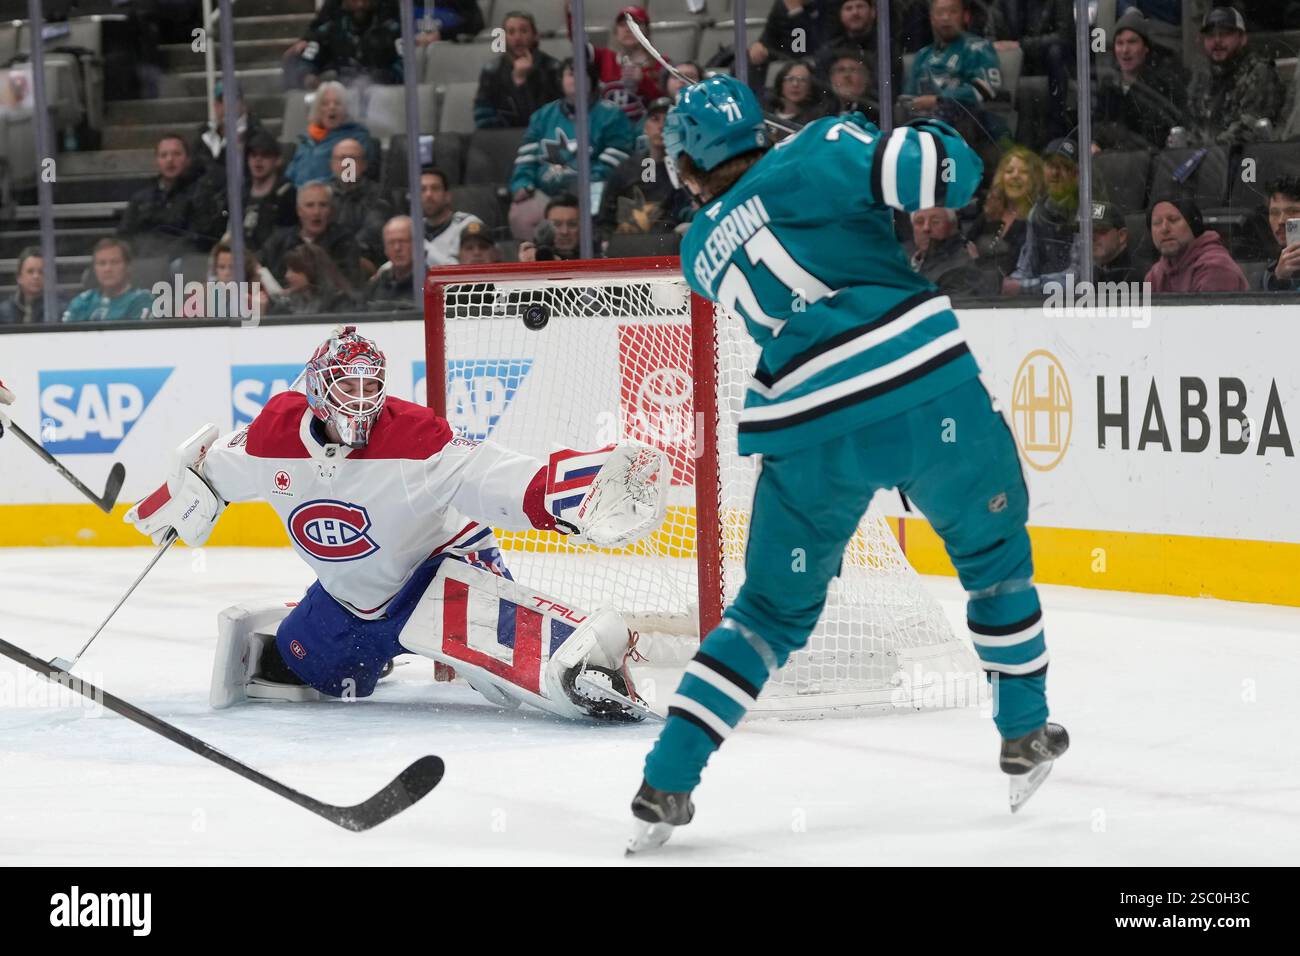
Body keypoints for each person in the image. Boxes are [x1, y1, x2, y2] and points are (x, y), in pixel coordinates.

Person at [628, 75, 1067, 851]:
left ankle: (667, 778)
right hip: (925, 395)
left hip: (807, 434)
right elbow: (945, 178)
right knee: (995, 562)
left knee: (766, 615)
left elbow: (769, 215)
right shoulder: (820, 148)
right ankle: (1024, 730)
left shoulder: (699, 248)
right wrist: (916, 124)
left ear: (689, 166)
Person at [123, 326, 665, 721]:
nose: (361, 402)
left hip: (439, 573)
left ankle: (587, 652)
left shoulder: (413, 439)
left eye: (369, 387)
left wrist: (565, 493)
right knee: (299, 663)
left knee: (517, 686)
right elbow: (212, 471)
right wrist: (174, 500)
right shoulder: (273, 439)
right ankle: (373, 652)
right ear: (316, 389)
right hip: (352, 603)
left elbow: (488, 475)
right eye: (347, 387)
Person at [508, 59, 635, 240]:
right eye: (570, 74)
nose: (575, 79)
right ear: (561, 80)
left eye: (582, 74)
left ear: (592, 81)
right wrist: (522, 183)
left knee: (598, 208)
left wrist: (589, 178)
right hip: (546, 192)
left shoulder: (611, 115)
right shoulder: (543, 115)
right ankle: (540, 262)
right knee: (521, 214)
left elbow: (619, 153)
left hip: (590, 190)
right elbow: (527, 156)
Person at [1185, 6, 1284, 147]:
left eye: (1225, 34)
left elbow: (1249, 127)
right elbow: (1193, 125)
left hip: (1248, 161)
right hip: (1209, 161)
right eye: (1211, 35)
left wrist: (1206, 151)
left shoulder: (1259, 71)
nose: (1217, 41)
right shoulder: (1201, 76)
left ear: (1242, 38)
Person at [596, 97, 694, 241]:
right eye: (655, 119)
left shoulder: (687, 170)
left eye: (668, 121)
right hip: (628, 249)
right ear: (645, 126)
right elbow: (605, 219)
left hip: (670, 250)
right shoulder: (625, 170)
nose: (661, 126)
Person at [1091, 9, 1187, 153]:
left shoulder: (1164, 85)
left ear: (1145, 47)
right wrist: (1095, 143)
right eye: (1119, 43)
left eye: (1132, 42)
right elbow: (1097, 126)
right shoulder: (1109, 84)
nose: (1125, 50)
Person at [901, 0, 1001, 130]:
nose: (945, 17)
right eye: (939, 12)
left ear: (965, 16)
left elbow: (986, 88)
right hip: (921, 125)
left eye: (952, 12)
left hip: (966, 126)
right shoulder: (923, 55)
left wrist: (939, 99)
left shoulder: (978, 48)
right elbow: (907, 97)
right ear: (932, 18)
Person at [1004, 138, 1080, 295]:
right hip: (1045, 301)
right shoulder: (1038, 213)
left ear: (1076, 174)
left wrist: (1025, 287)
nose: (1055, 173)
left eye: (1063, 167)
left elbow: (1079, 278)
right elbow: (1026, 267)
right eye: (1050, 166)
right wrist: (1012, 282)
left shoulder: (1085, 212)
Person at [570, 4, 667, 124]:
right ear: (616, 32)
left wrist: (643, 82)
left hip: (645, 133)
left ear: (646, 30)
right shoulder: (604, 57)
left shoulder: (662, 64)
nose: (628, 29)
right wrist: (571, 13)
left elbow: (666, 104)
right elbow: (577, 41)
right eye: (622, 25)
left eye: (635, 24)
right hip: (608, 130)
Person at [259, 182, 366, 289]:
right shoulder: (280, 240)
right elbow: (255, 268)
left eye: (323, 205)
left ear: (331, 210)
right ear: (299, 211)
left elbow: (348, 285)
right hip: (278, 302)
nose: (316, 212)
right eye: (310, 205)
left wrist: (307, 287)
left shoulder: (344, 241)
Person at [282, 0, 404, 90]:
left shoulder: (391, 30)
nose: (359, 4)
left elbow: (406, 62)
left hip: (384, 94)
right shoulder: (330, 31)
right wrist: (308, 76)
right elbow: (307, 59)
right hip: (340, 94)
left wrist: (385, 77)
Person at [473, 10, 563, 129]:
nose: (517, 38)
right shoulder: (491, 71)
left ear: (535, 35)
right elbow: (483, 117)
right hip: (503, 140)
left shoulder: (553, 69)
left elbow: (558, 116)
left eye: (524, 31)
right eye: (511, 32)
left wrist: (521, 82)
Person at [119, 134, 202, 257]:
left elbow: (197, 236)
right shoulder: (141, 198)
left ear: (188, 159)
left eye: (177, 154)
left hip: (182, 265)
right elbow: (124, 234)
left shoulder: (199, 195)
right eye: (163, 155)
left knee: (180, 273)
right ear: (157, 161)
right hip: (146, 264)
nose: (170, 160)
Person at [284, 82, 380, 189]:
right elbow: (290, 175)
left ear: (346, 110)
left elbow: (348, 179)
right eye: (325, 104)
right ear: (317, 110)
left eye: (337, 103)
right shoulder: (306, 140)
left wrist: (312, 191)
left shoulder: (356, 140)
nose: (331, 107)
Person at [968, 147, 1043, 281]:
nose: (1015, 176)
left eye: (1024, 172)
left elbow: (1015, 266)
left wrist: (977, 259)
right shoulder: (990, 212)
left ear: (1035, 179)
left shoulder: (1037, 218)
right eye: (1009, 171)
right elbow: (966, 245)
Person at [1144, 198, 1248, 293]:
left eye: (1173, 220)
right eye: (1157, 222)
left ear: (1193, 226)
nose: (1164, 228)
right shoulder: (1155, 275)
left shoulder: (1216, 268)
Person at [327, 137, 393, 267]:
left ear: (364, 165)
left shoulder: (380, 195)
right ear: (332, 165)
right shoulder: (322, 194)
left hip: (363, 262)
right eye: (342, 158)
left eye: (352, 158)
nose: (347, 164)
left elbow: (370, 235)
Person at [62, 239, 155, 323]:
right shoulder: (83, 301)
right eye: (102, 263)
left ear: (128, 267)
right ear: (94, 269)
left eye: (114, 262)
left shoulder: (141, 300)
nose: (107, 269)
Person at [419, 166, 485, 267]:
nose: (428, 194)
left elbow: (465, 270)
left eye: (435, 188)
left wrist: (422, 247)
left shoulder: (468, 224)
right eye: (422, 189)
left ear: (447, 196)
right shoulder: (412, 228)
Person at [268, 243, 358, 315]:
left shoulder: (340, 301)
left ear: (311, 271)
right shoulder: (288, 303)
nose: (287, 275)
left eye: (295, 270)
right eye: (288, 269)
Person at [908, 206, 975, 285]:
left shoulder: (959, 269)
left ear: (953, 227)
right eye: (919, 222)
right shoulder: (906, 260)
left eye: (935, 222)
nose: (926, 228)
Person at [366, 216, 420, 307]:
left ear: (417, 244)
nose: (397, 248)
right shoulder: (376, 285)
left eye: (403, 241)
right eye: (391, 243)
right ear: (385, 249)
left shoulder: (430, 284)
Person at [0, 248, 61, 325]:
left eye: (41, 272)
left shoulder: (58, 310)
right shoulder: (4, 312)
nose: (36, 276)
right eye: (30, 271)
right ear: (19, 277)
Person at [1259, 176, 1300, 292]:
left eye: (1293, 211)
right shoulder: (1270, 269)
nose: (1281, 221)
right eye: (1274, 213)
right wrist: (1279, 280)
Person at [1091, 201, 1144, 285]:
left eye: (1100, 230)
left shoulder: (1142, 278)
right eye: (1086, 231)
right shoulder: (1087, 275)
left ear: (1121, 235)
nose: (1092, 237)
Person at [766, 61, 825, 135]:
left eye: (802, 80)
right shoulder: (765, 113)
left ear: (810, 87)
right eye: (790, 79)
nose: (795, 84)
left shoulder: (814, 123)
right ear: (781, 83)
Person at [519, 194, 580, 262]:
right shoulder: (534, 254)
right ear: (545, 226)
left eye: (572, 224)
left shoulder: (592, 253)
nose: (564, 232)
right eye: (556, 224)